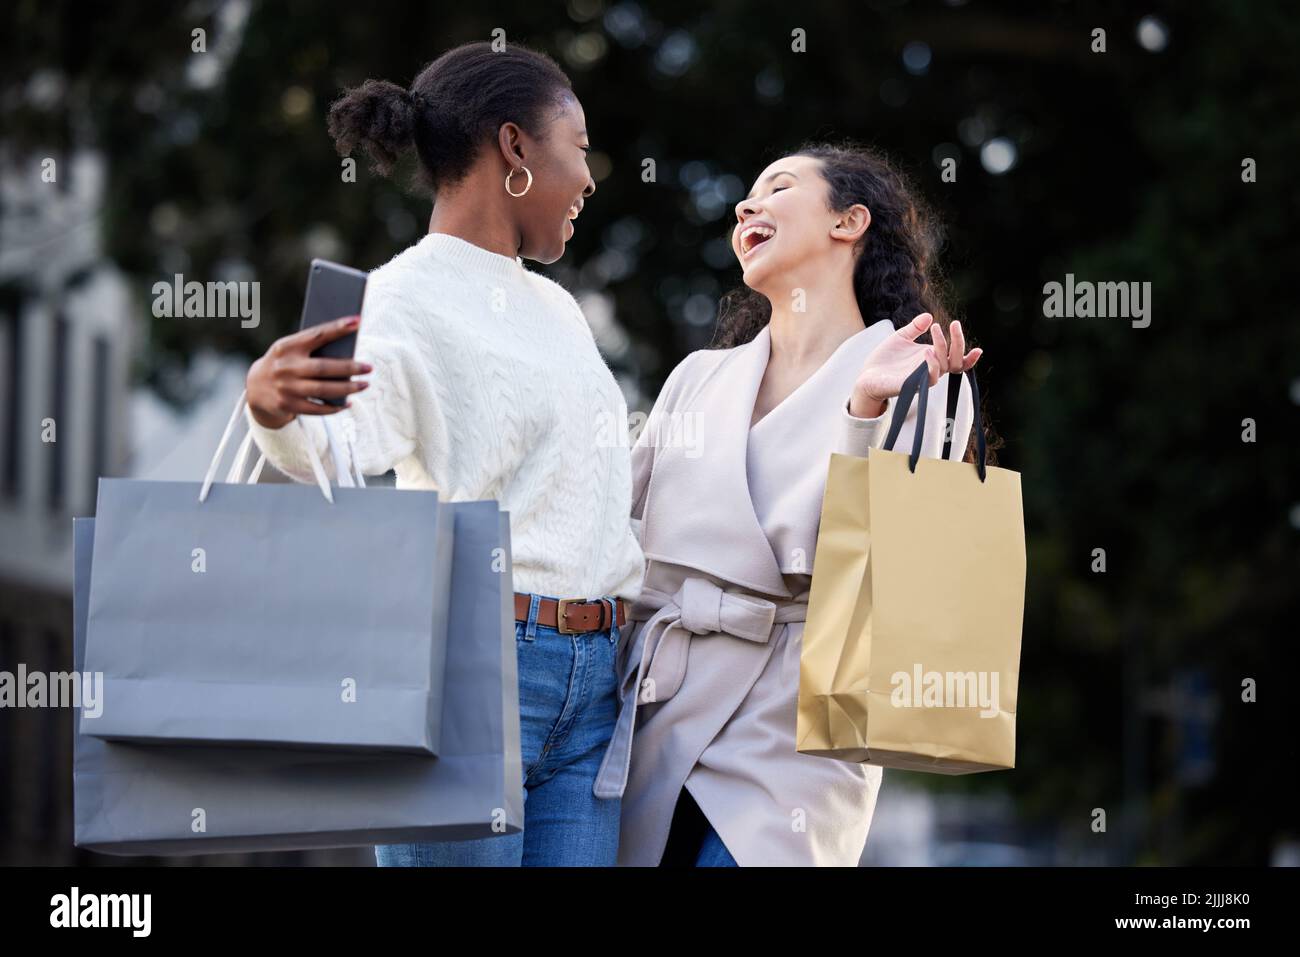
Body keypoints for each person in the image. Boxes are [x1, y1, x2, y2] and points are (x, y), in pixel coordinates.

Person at [243, 41, 642, 866]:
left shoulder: (562, 309)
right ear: (516, 148)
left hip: (599, 680)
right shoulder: (402, 297)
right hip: (474, 660)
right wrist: (270, 409)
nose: (592, 177)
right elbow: (336, 451)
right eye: (579, 148)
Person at [594, 143, 987, 866]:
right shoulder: (698, 378)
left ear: (850, 222)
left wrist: (866, 411)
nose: (747, 205)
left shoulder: (916, 376)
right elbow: (610, 536)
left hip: (797, 736)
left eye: (777, 186)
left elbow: (886, 574)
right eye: (744, 196)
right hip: (655, 711)